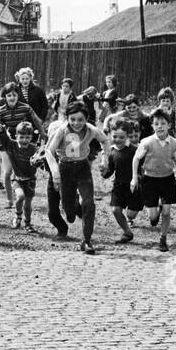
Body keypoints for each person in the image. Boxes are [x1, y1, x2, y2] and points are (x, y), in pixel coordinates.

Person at [43, 101, 111, 255]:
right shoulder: (62, 130)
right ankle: (72, 205)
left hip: (82, 168)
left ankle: (86, 241)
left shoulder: (91, 130)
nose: (76, 123)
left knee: (88, 203)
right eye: (72, 119)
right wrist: (55, 174)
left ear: (86, 119)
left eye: (80, 119)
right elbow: (49, 151)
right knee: (70, 212)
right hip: (65, 168)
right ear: (67, 118)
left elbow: (105, 140)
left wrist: (105, 159)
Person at [130, 110, 176, 252]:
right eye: (156, 124)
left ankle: (163, 239)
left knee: (166, 212)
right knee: (153, 217)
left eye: (163, 123)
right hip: (150, 180)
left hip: (167, 180)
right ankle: (156, 210)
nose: (160, 126)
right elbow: (136, 159)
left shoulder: (174, 143)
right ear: (152, 126)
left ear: (169, 125)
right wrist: (134, 178)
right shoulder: (147, 142)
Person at [0, 82, 43, 206]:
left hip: (23, 142)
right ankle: (9, 199)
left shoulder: (25, 108)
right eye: (9, 95)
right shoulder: (1, 111)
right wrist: (2, 131)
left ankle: (24, 191)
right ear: (5, 96)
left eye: (14, 95)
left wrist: (43, 133)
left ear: (18, 95)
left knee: (23, 170)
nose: (12, 97)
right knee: (8, 172)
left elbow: (36, 120)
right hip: (7, 143)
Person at [99, 120, 141, 244]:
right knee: (115, 210)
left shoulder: (134, 151)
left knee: (131, 214)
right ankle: (127, 232)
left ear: (127, 136)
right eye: (115, 137)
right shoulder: (111, 152)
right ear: (110, 136)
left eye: (121, 137)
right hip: (119, 185)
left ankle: (135, 213)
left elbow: (143, 166)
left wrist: (140, 178)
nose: (118, 139)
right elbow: (109, 172)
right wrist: (103, 171)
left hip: (134, 185)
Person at [7, 121, 43, 232]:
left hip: (30, 180)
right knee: (20, 196)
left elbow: (40, 161)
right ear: (16, 136)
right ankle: (18, 216)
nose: (24, 140)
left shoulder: (34, 149)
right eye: (21, 137)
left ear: (31, 137)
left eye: (27, 137)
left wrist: (39, 162)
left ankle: (28, 223)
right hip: (17, 178)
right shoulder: (13, 146)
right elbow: (4, 139)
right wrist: (2, 131)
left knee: (28, 204)